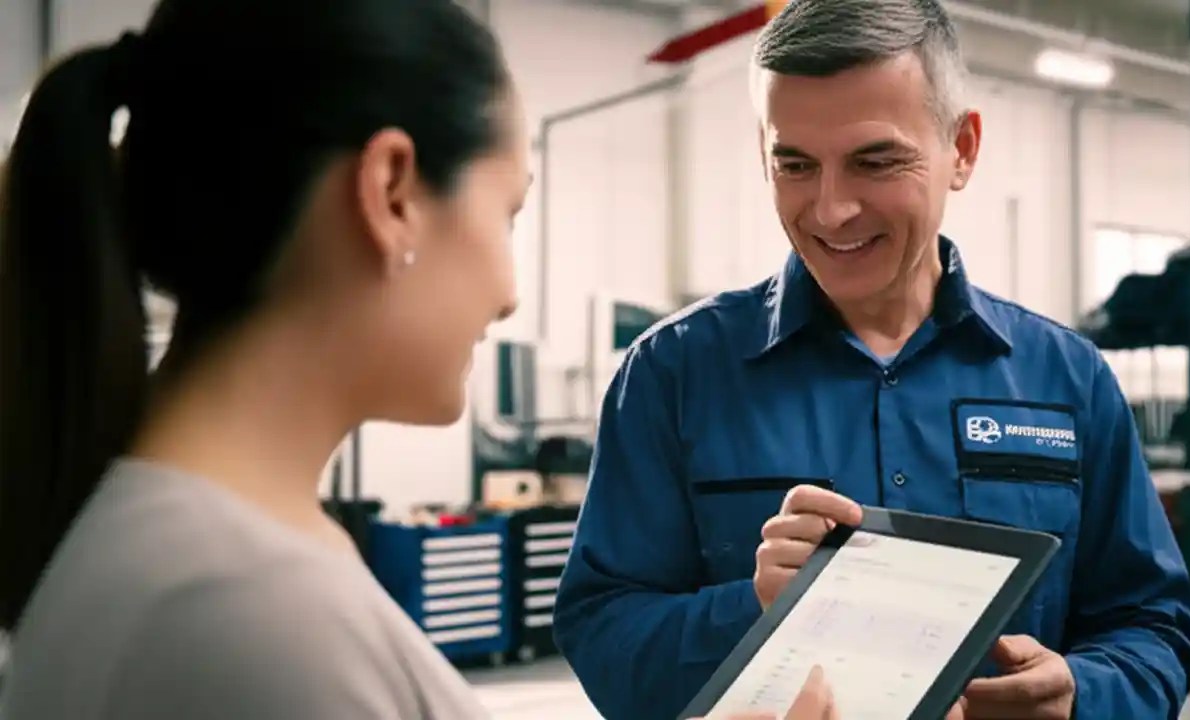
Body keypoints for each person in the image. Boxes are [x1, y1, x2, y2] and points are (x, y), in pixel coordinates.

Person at [0, 2, 838, 719]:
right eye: (507, 214)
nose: (510, 292)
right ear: (393, 192)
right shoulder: (245, 611)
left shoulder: (192, 550)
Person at [553, 1, 1190, 719]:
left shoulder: (1069, 381)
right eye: (794, 164)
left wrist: (1085, 694)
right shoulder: (671, 374)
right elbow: (603, 631)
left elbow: (1154, 626)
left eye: (876, 161)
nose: (830, 210)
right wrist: (760, 609)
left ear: (963, 149)